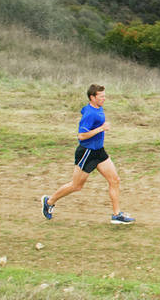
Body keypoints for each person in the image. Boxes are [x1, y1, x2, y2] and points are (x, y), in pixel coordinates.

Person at [41, 84, 135, 224]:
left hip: (99, 151)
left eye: (104, 96)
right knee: (76, 186)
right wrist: (101, 128)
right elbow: (81, 136)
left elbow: (84, 109)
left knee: (115, 180)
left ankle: (117, 215)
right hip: (87, 152)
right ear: (92, 97)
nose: (104, 98)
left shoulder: (97, 108)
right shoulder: (90, 114)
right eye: (101, 96)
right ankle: (49, 201)